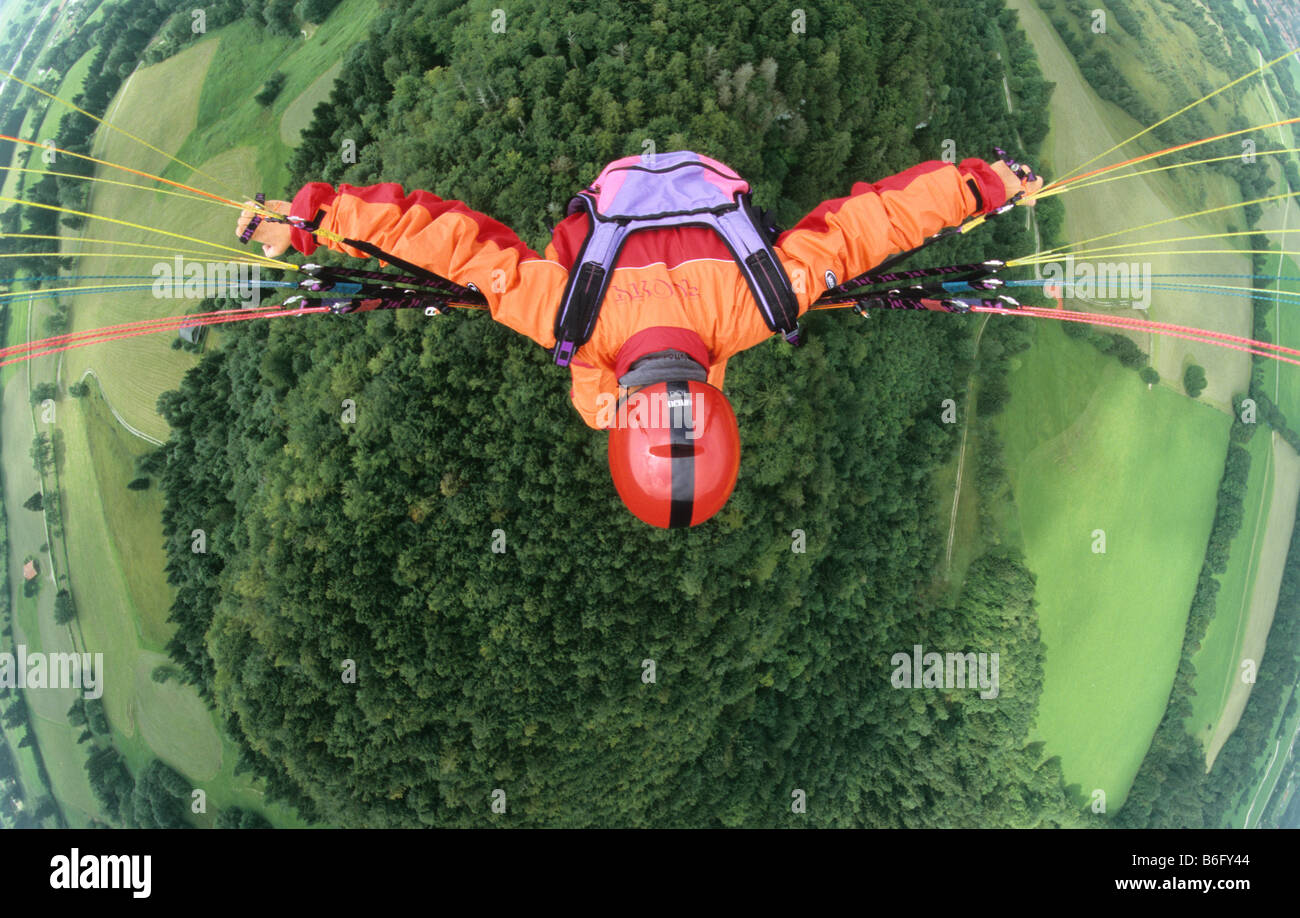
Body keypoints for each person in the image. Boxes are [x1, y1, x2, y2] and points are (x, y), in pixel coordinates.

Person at [237, 153, 1042, 528]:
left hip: (686, 188)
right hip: (621, 205)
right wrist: (314, 218)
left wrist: (982, 184)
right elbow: (445, 244)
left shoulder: (762, 307)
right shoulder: (565, 322)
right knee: (513, 307)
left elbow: (877, 225)